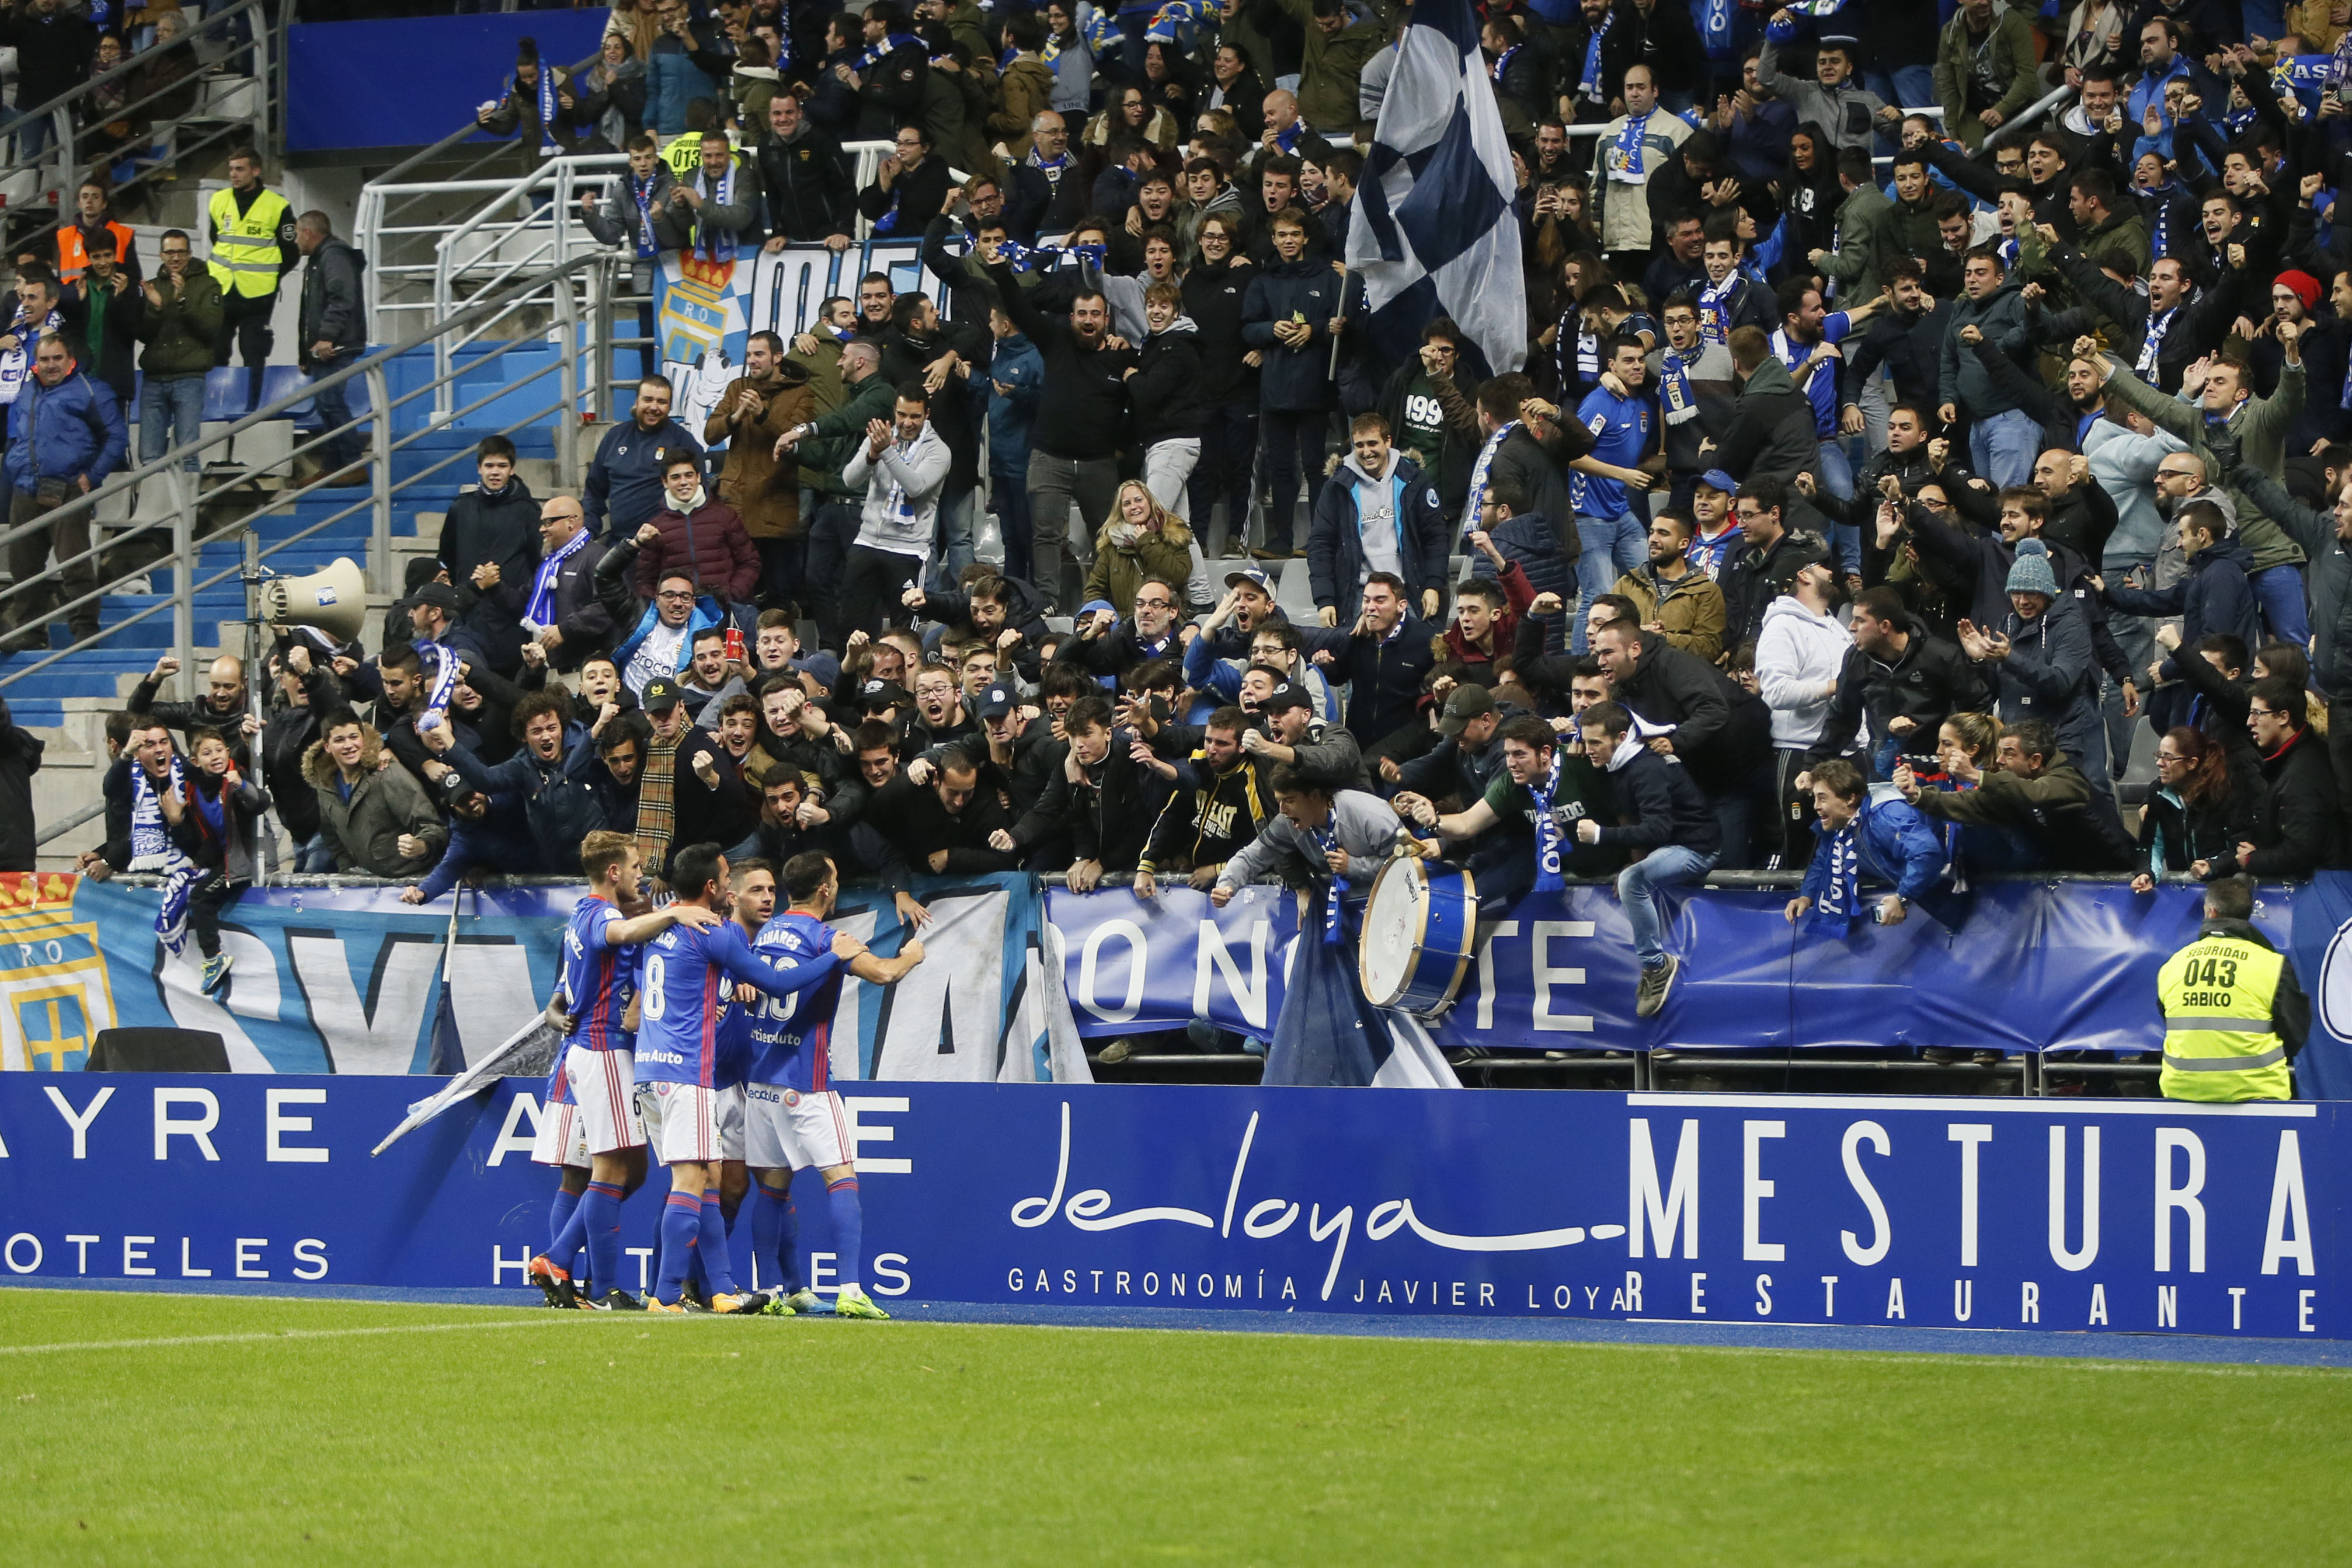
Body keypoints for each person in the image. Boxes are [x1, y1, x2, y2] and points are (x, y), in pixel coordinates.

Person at [631, 841, 857, 1313]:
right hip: (687, 1072)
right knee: (692, 1182)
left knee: (707, 1180)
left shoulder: (658, 925)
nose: (733, 891)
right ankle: (667, 1295)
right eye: (730, 882)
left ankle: (719, 1290)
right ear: (713, 887)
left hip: (648, 1069)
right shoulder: (714, 931)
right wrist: (835, 956)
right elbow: (779, 984)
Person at [531, 831, 721, 1310]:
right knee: (611, 1168)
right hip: (602, 1049)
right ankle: (567, 1267)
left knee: (627, 1169)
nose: (642, 873)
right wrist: (674, 912)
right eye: (636, 865)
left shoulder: (578, 912)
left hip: (590, 1051)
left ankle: (584, 1276)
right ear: (613, 872)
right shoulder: (602, 914)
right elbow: (618, 934)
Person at [740, 851, 924, 1318]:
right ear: (826, 889)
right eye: (836, 878)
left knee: (773, 1190)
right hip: (807, 1082)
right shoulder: (828, 938)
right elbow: (884, 973)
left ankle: (775, 1293)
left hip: (760, 1081)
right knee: (842, 1178)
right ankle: (850, 1289)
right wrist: (911, 956)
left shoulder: (764, 934)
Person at [985, 250, 1131, 612]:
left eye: (1095, 314)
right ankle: (1046, 602)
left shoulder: (1122, 356)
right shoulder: (1055, 341)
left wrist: (1125, 446)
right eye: (1081, 313)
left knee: (1107, 537)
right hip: (1050, 458)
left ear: (1106, 319)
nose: (1088, 320)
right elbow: (1019, 309)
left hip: (1099, 462)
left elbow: (1141, 402)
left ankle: (1102, 600)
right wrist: (1001, 272)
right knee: (1046, 535)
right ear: (1071, 318)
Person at [1573, 700, 1719, 1018]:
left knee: (1632, 880)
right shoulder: (1620, 765)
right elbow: (1630, 816)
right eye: (1585, 741)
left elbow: (1657, 828)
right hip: (1670, 846)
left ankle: (1657, 966)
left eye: (1596, 742)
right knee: (1632, 875)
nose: (1588, 749)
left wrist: (1601, 835)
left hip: (1696, 848)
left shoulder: (1647, 768)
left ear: (1622, 736)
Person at [2, 332, 127, 652]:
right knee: (23, 568)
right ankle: (31, 631)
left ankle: (85, 631)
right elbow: (17, 434)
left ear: (70, 359)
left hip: (70, 488)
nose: (51, 365)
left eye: (57, 358)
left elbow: (116, 437)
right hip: (26, 490)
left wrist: (93, 477)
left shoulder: (91, 390)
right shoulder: (26, 390)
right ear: (35, 363)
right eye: (44, 359)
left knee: (75, 565)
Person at [1896, 717, 2132, 870]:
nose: (1999, 761)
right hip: (2069, 878)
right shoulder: (2012, 788)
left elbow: (2035, 793)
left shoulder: (2069, 780)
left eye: (2009, 754)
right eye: (2000, 753)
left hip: (2118, 875)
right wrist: (1917, 794)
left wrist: (1975, 776)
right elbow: (1970, 802)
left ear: (2035, 760)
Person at [2153, 875, 2310, 1103]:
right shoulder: (2272, 965)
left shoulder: (2174, 964)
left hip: (2183, 1093)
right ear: (2247, 915)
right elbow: (2295, 1033)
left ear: (2211, 913)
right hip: (2258, 1094)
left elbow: (2171, 1022)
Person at [1241, 205, 1340, 559]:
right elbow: (1248, 328)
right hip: (1275, 391)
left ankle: (1320, 540)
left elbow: (1343, 326)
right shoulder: (1264, 282)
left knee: (1317, 468)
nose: (1288, 241)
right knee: (1280, 468)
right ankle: (1282, 540)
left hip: (1315, 389)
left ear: (1305, 238)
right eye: (1281, 235)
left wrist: (1313, 330)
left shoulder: (1328, 278)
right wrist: (1272, 330)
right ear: (1273, 239)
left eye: (1294, 234)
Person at [703, 330, 813, 614]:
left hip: (776, 510)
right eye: (749, 355)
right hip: (737, 507)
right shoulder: (737, 387)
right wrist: (736, 416)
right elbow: (710, 434)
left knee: (777, 598)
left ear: (777, 357)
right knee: (736, 596)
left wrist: (763, 413)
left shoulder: (801, 392)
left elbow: (796, 437)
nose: (751, 360)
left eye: (759, 354)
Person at [1783, 759, 1957, 934]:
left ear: (1850, 799)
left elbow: (1928, 854)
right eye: (1815, 798)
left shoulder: (1885, 817)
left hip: (1962, 896)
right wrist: (1807, 897)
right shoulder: (1839, 827)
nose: (1816, 807)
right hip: (1935, 904)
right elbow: (1824, 861)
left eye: (1823, 798)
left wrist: (1902, 899)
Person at [1307, 413, 1447, 627]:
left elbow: (1436, 538)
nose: (1366, 452)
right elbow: (1320, 546)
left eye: (1373, 443)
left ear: (1388, 442)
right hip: (1359, 595)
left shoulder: (1414, 480)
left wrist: (1433, 586)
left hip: (1408, 589)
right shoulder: (1337, 487)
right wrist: (1324, 600)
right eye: (1359, 445)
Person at [837, 382, 951, 638]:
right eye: (902, 415)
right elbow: (849, 479)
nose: (907, 423)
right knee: (851, 628)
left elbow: (915, 486)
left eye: (915, 416)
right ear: (895, 412)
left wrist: (886, 450)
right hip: (867, 541)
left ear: (927, 415)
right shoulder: (879, 438)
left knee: (902, 633)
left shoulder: (938, 450)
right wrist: (872, 455)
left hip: (907, 550)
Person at [205, 147, 297, 415]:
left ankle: (253, 408)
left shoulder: (277, 206)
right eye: (231, 169)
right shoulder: (218, 201)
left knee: (254, 353)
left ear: (256, 171)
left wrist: (269, 276)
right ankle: (216, 406)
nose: (234, 175)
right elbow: (217, 239)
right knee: (215, 351)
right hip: (222, 289)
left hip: (258, 294)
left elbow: (290, 252)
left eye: (240, 169)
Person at [302, 713, 448, 879]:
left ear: (363, 739)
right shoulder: (325, 785)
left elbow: (433, 827)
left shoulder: (387, 774)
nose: (349, 745)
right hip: (366, 885)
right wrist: (347, 867)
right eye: (339, 740)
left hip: (411, 880)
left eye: (354, 737)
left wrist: (422, 846)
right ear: (327, 747)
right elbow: (330, 835)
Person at [134, 229, 219, 476]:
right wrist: (156, 309)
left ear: (190, 254)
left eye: (181, 252)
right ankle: (158, 513)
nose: (176, 258)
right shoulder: (154, 285)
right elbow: (145, 335)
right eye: (170, 252)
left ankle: (189, 513)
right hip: (154, 379)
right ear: (161, 255)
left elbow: (211, 328)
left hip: (189, 378)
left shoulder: (208, 284)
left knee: (188, 454)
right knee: (149, 457)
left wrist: (183, 301)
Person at [585, 375, 705, 542]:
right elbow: (594, 491)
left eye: (662, 402)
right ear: (637, 402)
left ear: (670, 407)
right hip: (620, 545)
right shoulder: (615, 437)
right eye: (648, 400)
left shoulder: (682, 442)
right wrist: (589, 533)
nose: (654, 407)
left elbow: (701, 493)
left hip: (664, 545)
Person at [1613, 512, 1725, 663]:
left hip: (1680, 677)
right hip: (1631, 676)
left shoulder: (1706, 591)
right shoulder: (1628, 583)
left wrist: (1662, 639)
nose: (1653, 539)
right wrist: (1638, 634)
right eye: (1652, 532)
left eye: (1663, 534)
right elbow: (1606, 629)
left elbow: (1710, 647)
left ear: (1683, 543)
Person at [520, 494, 615, 673]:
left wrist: (565, 630)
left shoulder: (598, 557)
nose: (542, 529)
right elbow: (523, 599)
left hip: (585, 671)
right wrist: (493, 588)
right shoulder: (550, 563)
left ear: (571, 522)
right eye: (542, 523)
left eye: (548, 522)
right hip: (550, 667)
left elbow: (607, 606)